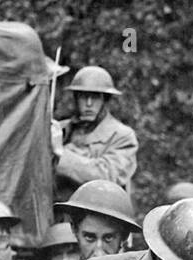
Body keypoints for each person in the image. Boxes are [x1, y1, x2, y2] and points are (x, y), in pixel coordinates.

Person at [52, 65, 139, 195]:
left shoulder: (122, 136)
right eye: (83, 96)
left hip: (98, 210)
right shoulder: (59, 131)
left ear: (105, 99)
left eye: (95, 97)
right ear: (76, 99)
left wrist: (60, 153)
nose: (88, 104)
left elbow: (107, 177)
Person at [56, 180, 142, 260]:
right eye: (89, 238)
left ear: (124, 236)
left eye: (108, 238)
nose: (99, 254)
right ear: (74, 230)